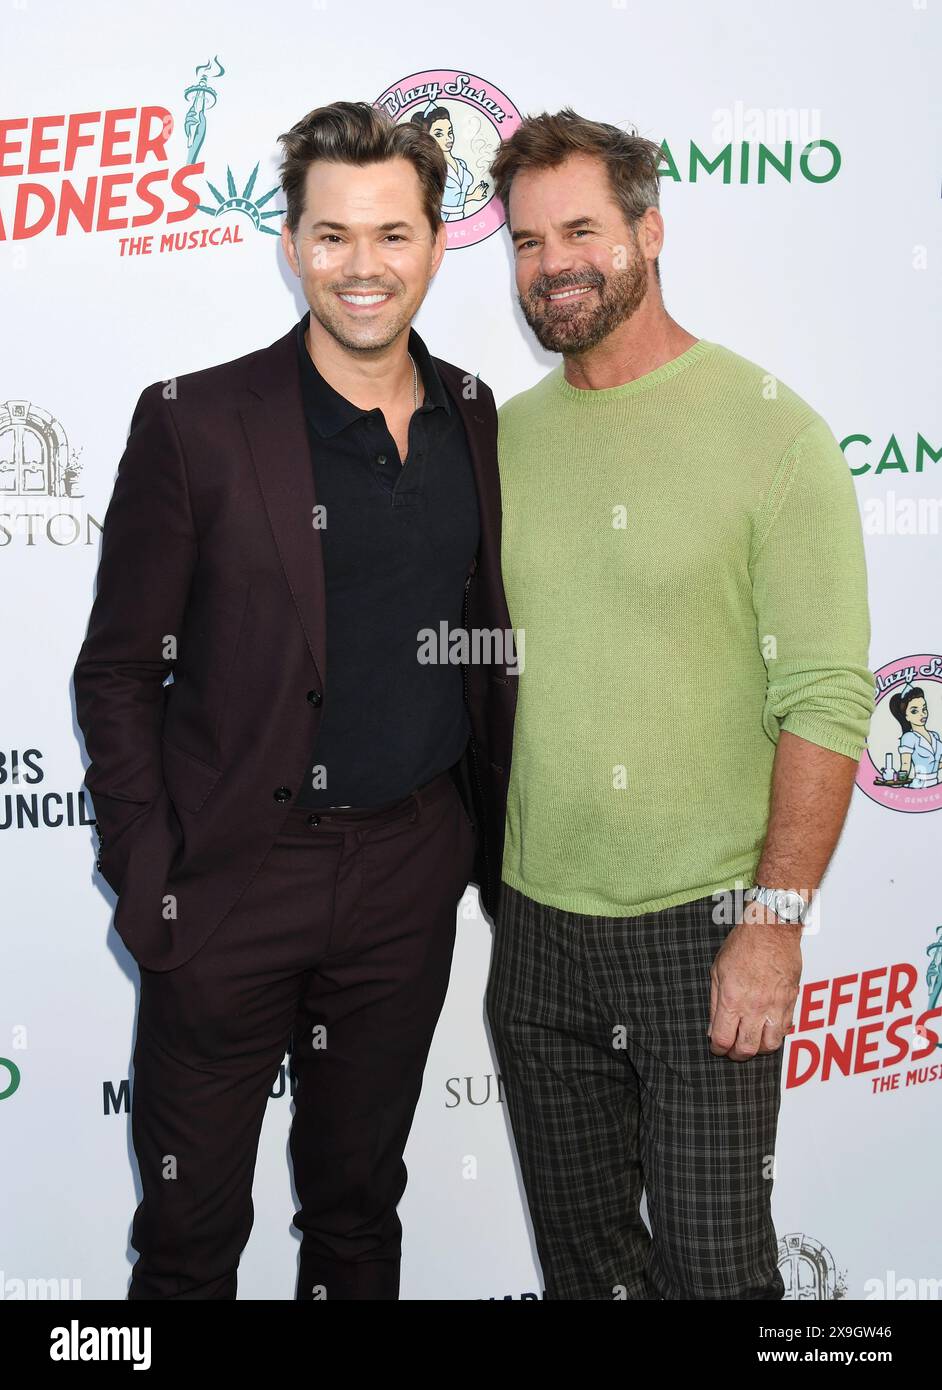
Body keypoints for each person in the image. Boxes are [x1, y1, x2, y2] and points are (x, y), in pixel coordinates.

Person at [72, 100, 516, 1300]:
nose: (363, 265)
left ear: (436, 243)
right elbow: (119, 670)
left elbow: (480, 637)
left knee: (359, 1212)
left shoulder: (474, 414)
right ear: (291, 244)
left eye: (392, 234)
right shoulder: (197, 423)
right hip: (232, 882)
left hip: (407, 875)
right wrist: (148, 871)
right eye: (333, 235)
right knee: (189, 1236)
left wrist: (470, 844)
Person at [485, 108, 875, 1300]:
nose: (552, 263)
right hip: (537, 931)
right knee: (590, 1273)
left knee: (718, 1275)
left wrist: (774, 924)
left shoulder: (774, 433)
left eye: (582, 231)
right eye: (527, 240)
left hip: (705, 931)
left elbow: (827, 700)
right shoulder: (499, 441)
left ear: (649, 232)